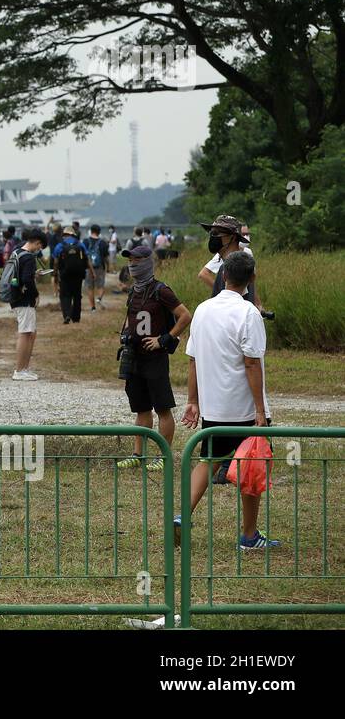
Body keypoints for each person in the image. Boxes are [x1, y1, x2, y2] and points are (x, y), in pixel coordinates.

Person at [179, 250, 279, 550]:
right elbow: (251, 363)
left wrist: (193, 400)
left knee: (207, 461)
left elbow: (193, 359)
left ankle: (182, 516)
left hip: (213, 407)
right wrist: (260, 410)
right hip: (245, 409)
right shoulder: (249, 313)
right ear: (252, 278)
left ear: (223, 275)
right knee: (253, 466)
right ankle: (249, 535)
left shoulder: (203, 309)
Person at [116, 244, 191, 470]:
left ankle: (164, 456)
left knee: (162, 407)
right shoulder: (133, 291)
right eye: (130, 261)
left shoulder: (161, 290)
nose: (132, 265)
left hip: (155, 358)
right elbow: (132, 318)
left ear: (148, 263)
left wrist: (164, 339)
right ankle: (138, 454)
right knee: (141, 408)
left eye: (137, 261)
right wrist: (126, 335)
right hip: (135, 356)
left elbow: (185, 316)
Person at [197, 215, 261, 308]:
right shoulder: (226, 265)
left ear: (233, 237)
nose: (213, 237)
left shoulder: (236, 267)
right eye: (212, 233)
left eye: (217, 233)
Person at [11, 229, 43, 380]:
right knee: (25, 333)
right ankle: (20, 370)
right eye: (40, 246)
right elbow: (27, 280)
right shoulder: (29, 257)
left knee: (30, 332)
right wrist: (36, 294)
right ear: (36, 242)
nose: (39, 249)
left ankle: (24, 368)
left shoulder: (17, 252)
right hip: (25, 300)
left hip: (16, 297)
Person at [52, 225, 91, 324]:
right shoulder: (80, 244)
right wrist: (91, 272)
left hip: (65, 274)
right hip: (78, 274)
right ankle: (76, 318)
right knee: (77, 295)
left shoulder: (60, 245)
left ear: (64, 235)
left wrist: (55, 273)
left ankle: (67, 315)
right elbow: (87, 259)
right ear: (73, 234)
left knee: (65, 295)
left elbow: (56, 261)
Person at [85, 224, 110, 312]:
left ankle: (93, 308)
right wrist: (108, 266)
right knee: (100, 286)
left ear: (91, 231)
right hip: (100, 267)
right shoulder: (103, 243)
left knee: (90, 287)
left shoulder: (85, 241)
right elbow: (106, 257)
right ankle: (99, 298)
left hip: (88, 267)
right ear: (99, 232)